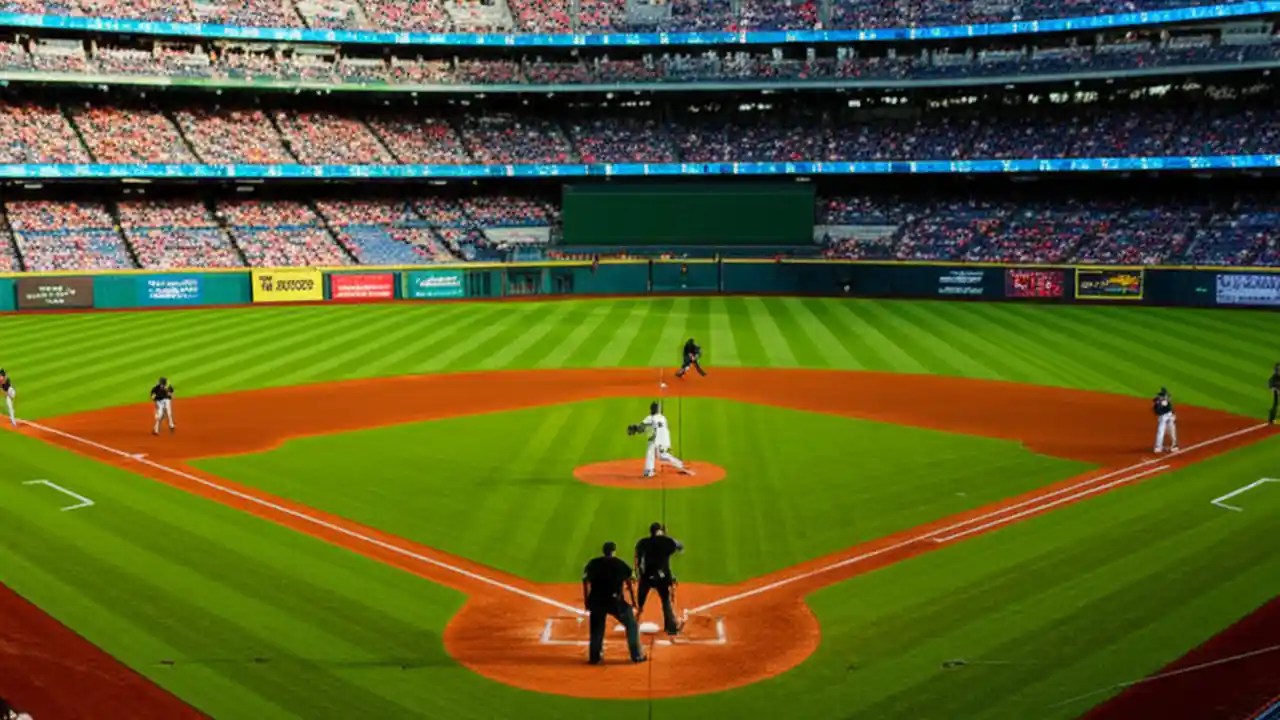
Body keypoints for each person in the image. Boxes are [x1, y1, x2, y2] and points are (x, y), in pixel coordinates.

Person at [582, 541, 646, 665]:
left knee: (596, 629)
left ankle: (594, 657)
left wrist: (586, 600)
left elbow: (585, 582)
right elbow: (629, 583)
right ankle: (636, 655)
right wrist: (633, 602)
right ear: (614, 551)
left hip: (596, 600)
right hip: (614, 602)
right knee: (632, 625)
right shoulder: (620, 564)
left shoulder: (593, 564)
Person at [635, 522, 683, 636]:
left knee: (640, 603)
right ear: (660, 531)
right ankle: (671, 628)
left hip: (647, 576)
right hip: (663, 577)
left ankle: (632, 625)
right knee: (665, 601)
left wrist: (639, 574)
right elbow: (680, 547)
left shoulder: (643, 542)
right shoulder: (667, 542)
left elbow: (638, 559)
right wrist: (667, 538)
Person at [629, 401, 693, 478]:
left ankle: (679, 464)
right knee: (655, 452)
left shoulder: (650, 418)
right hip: (665, 440)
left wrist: (635, 429)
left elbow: (641, 427)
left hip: (657, 440)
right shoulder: (663, 418)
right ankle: (649, 470)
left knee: (660, 454)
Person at [1153, 387, 1178, 453]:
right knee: (1160, 431)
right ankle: (1158, 447)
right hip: (1163, 417)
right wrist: (1158, 404)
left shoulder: (1166, 401)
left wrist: (1159, 403)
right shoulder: (1159, 402)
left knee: (1171, 431)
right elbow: (1156, 411)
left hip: (1169, 416)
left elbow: (1168, 407)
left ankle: (1174, 445)